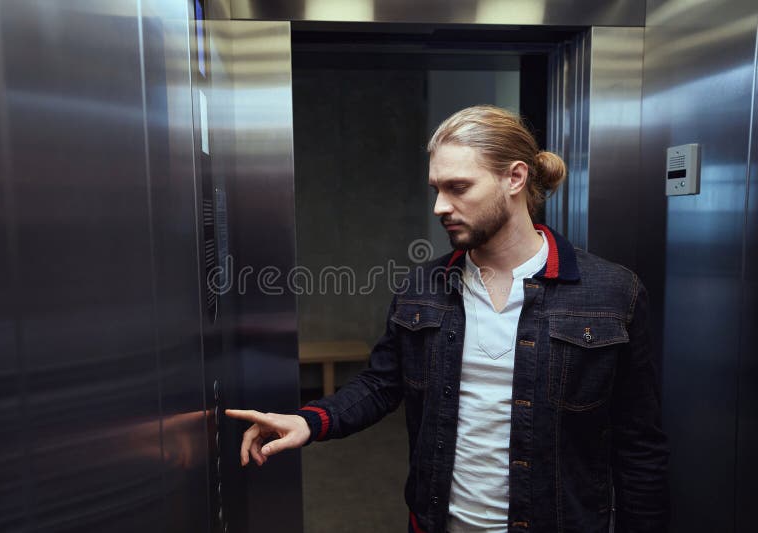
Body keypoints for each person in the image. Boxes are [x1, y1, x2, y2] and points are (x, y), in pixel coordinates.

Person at [226, 105, 669, 532]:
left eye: (458, 187)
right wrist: (310, 420)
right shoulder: (425, 286)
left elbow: (639, 443)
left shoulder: (612, 292)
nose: (440, 206)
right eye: (436, 189)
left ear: (515, 177)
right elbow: (382, 383)